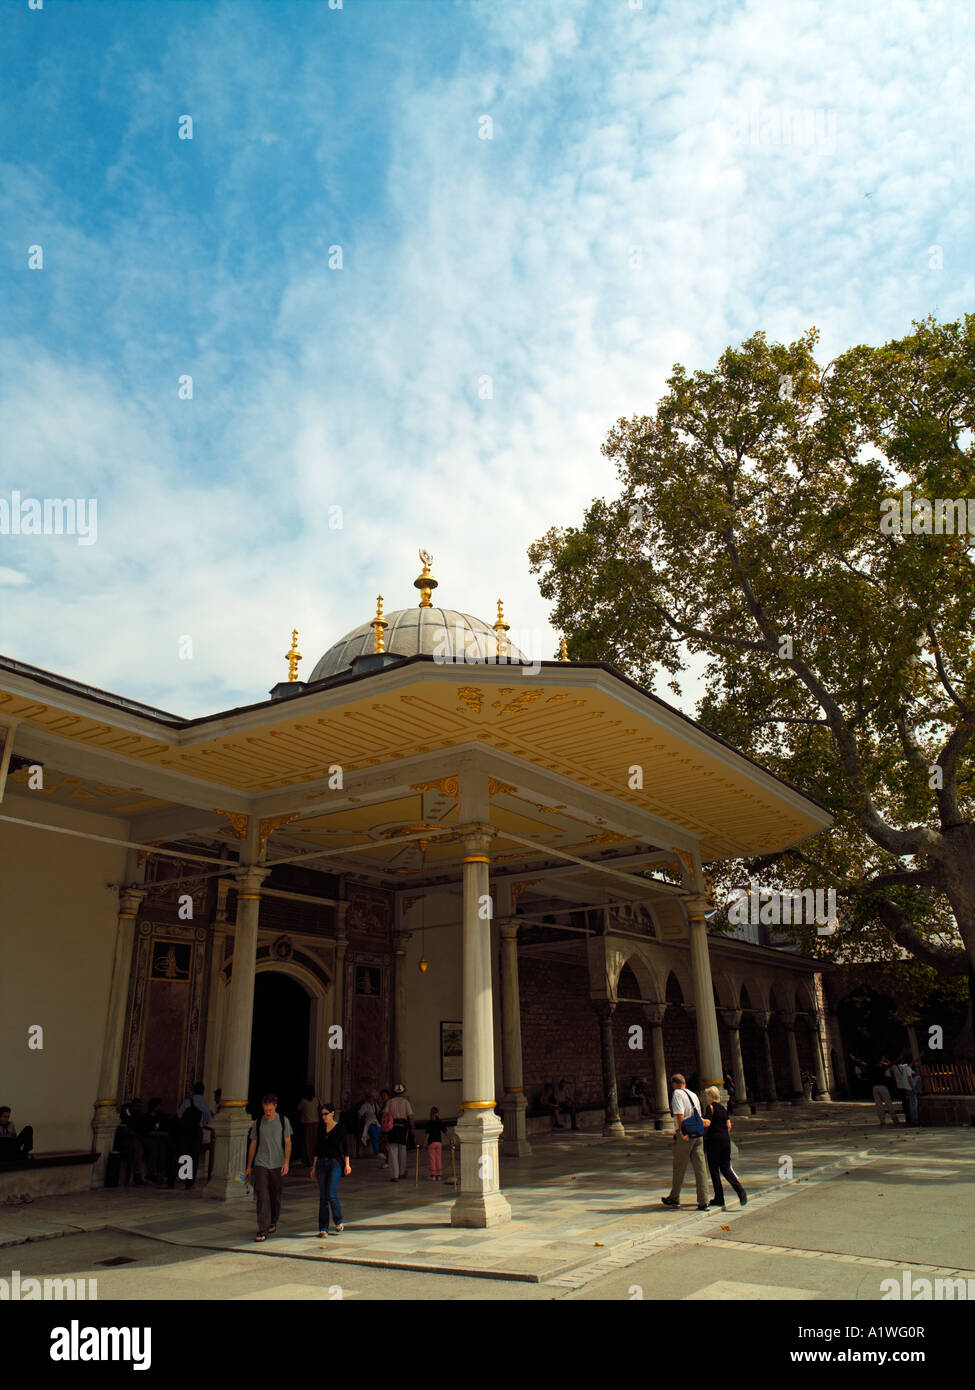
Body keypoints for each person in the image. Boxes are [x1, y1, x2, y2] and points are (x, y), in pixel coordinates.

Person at [245, 1094, 292, 1241]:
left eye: (270, 1110)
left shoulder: (283, 1121)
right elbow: (253, 1144)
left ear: (275, 1106)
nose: (268, 1113)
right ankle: (262, 1229)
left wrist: (286, 1162)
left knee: (275, 1195)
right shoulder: (259, 1122)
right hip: (261, 1162)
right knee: (262, 1195)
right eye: (265, 1110)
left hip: (277, 1164)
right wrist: (249, 1166)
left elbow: (288, 1143)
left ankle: (273, 1220)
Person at [661, 1073, 709, 1212]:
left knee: (679, 1166)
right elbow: (698, 1114)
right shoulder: (693, 1095)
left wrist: (683, 1132)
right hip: (698, 1133)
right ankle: (703, 1201)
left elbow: (679, 1114)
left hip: (686, 1134)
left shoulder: (677, 1094)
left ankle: (674, 1197)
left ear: (674, 1084)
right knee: (700, 1168)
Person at [701, 1085, 747, 1208]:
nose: (706, 1098)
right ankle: (740, 1191)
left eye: (707, 1096)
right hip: (725, 1140)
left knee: (714, 1169)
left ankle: (719, 1197)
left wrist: (700, 1121)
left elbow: (708, 1123)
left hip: (714, 1141)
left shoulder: (710, 1107)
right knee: (726, 1168)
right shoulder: (723, 1109)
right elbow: (728, 1125)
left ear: (710, 1097)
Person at [310, 1101, 350, 1238]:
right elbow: (317, 1147)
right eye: (322, 1115)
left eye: (326, 1114)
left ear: (332, 1113)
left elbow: (345, 1147)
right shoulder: (321, 1128)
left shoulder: (340, 1128)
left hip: (335, 1163)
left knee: (331, 1194)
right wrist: (314, 1167)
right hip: (321, 1162)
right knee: (323, 1197)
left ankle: (338, 1219)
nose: (324, 1117)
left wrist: (347, 1164)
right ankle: (323, 1228)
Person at [176, 1082, 211, 1187]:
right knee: (194, 1156)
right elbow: (208, 1120)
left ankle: (181, 1175)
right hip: (197, 1132)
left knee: (183, 1154)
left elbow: (179, 1116)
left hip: (185, 1132)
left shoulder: (187, 1102)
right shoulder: (204, 1104)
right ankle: (189, 1182)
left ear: (193, 1090)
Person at [383, 1084, 414, 1181]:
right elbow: (410, 1117)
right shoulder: (406, 1102)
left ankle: (394, 1175)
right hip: (403, 1127)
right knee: (402, 1150)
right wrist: (412, 1128)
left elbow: (385, 1115)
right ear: (403, 1092)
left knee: (392, 1151)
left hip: (392, 1126)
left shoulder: (389, 1102)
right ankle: (402, 1172)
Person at [871, 1057, 901, 1126]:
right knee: (888, 1103)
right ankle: (894, 1119)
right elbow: (888, 1074)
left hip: (875, 1087)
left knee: (879, 1105)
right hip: (883, 1086)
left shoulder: (872, 1067)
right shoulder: (883, 1067)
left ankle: (882, 1120)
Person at [297, 1085, 320, 1167]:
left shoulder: (304, 1101)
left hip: (307, 1123)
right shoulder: (316, 1100)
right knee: (314, 1143)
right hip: (316, 1123)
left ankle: (309, 1161)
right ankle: (314, 1161)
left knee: (308, 1143)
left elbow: (298, 1108)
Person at [425, 1106, 447, 1181]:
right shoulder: (440, 1122)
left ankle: (433, 1175)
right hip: (439, 1143)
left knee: (432, 1159)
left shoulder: (429, 1123)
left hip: (431, 1143)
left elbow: (427, 1134)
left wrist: (424, 1142)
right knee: (438, 1158)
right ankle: (439, 1174)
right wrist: (450, 1139)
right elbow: (445, 1132)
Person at [357, 1091, 381, 1156]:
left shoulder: (375, 1105)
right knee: (374, 1136)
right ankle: (377, 1152)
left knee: (378, 1135)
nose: (373, 1099)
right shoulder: (365, 1106)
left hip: (376, 1122)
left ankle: (379, 1150)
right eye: (372, 1097)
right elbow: (359, 1114)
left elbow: (379, 1112)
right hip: (369, 1123)